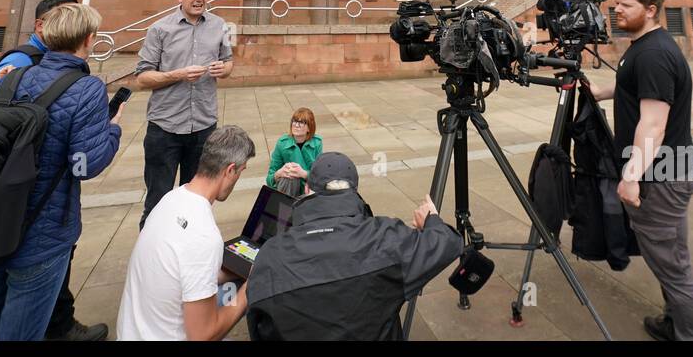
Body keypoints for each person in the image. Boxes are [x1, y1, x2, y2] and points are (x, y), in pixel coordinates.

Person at [0, 3, 122, 341]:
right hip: (42, 230)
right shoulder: (86, 88)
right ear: (88, 39)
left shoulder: (12, 75)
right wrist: (112, 131)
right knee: (21, 330)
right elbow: (86, 165)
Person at [245, 153, 462, 340]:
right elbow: (450, 242)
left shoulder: (269, 256)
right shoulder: (386, 238)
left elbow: (259, 328)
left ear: (307, 188)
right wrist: (431, 219)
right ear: (354, 190)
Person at [592, 0, 693, 341]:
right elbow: (634, 86)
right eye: (615, 5)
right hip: (668, 171)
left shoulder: (654, 54)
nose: (616, 11)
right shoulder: (643, 47)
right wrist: (602, 91)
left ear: (650, 9)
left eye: (625, 5)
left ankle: (689, 336)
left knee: (673, 267)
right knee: (672, 258)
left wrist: (631, 176)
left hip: (661, 176)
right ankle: (676, 322)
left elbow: (654, 124)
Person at [116, 125, 256, 341]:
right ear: (230, 171)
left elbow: (181, 273)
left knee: (233, 284)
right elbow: (202, 336)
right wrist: (249, 289)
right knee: (241, 294)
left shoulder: (170, 199)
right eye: (241, 170)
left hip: (133, 332)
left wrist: (233, 273)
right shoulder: (204, 236)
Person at [134, 0, 234, 229]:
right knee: (158, 197)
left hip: (203, 125)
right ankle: (152, 253)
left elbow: (229, 61)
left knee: (197, 199)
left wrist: (224, 69)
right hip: (165, 127)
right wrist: (176, 75)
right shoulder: (159, 29)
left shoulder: (220, 25)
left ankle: (188, 248)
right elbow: (142, 77)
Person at [266, 108, 323, 197]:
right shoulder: (282, 143)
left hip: (309, 189)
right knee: (290, 175)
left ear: (309, 128)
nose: (296, 125)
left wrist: (304, 174)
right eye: (294, 121)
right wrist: (279, 173)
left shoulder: (317, 143)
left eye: (301, 123)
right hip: (288, 189)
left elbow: (321, 176)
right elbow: (269, 179)